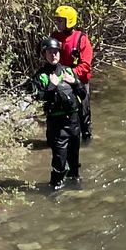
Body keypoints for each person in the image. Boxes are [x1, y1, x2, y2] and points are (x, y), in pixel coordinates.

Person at [28, 38, 83, 190]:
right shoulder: (40, 76)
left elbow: (83, 95)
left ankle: (75, 187)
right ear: (44, 54)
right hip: (57, 124)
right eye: (50, 52)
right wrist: (51, 86)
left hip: (73, 122)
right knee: (59, 162)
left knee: (74, 162)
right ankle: (55, 188)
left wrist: (75, 83)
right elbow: (39, 99)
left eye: (56, 52)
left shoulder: (68, 71)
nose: (54, 55)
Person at [50, 5, 93, 142]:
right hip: (60, 81)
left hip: (78, 81)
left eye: (60, 21)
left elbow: (85, 65)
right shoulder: (54, 37)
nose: (57, 23)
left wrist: (70, 74)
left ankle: (86, 137)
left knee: (83, 113)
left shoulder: (81, 39)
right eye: (57, 21)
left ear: (69, 21)